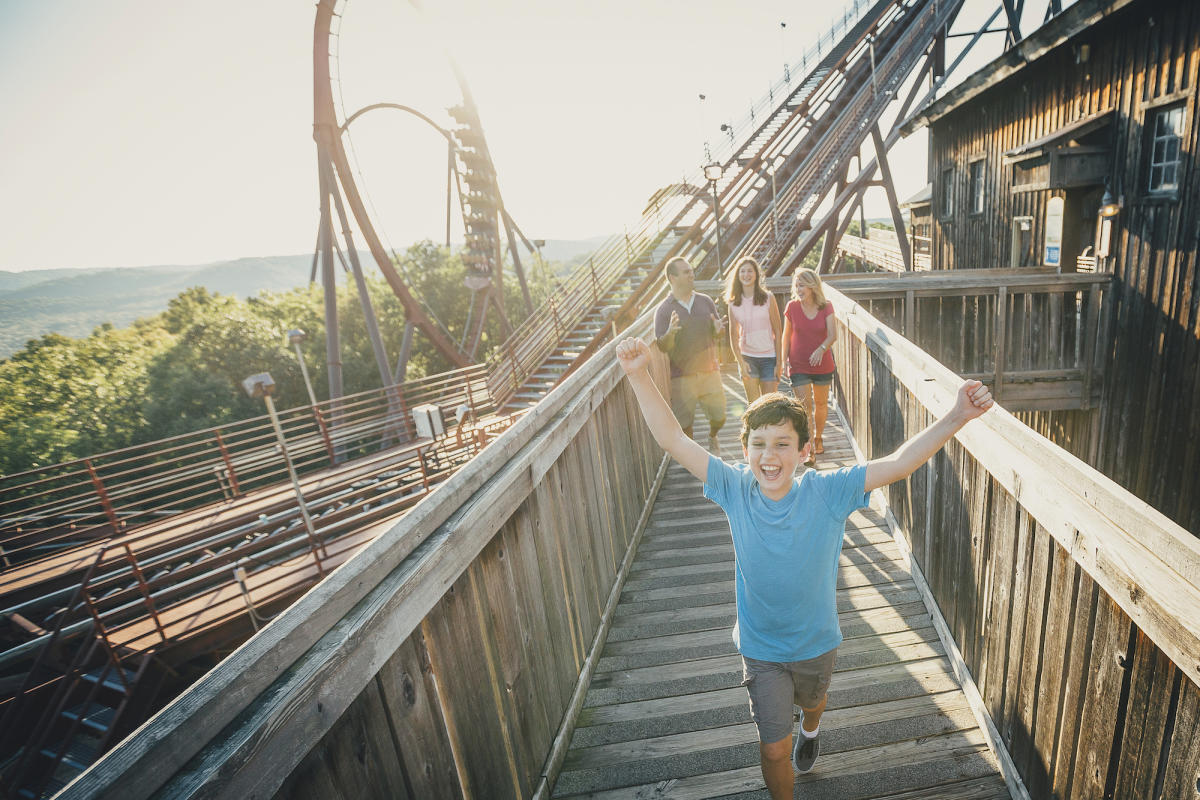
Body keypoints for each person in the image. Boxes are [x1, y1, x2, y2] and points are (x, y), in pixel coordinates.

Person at [614, 336, 993, 800]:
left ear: (804, 449)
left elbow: (896, 464)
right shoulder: (734, 488)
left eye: (781, 444)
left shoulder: (827, 491)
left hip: (816, 642)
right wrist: (638, 374)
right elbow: (673, 438)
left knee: (812, 704)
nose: (768, 456)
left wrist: (957, 415)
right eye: (758, 444)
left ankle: (812, 729)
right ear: (746, 449)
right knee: (773, 750)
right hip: (760, 647)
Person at [654, 256, 726, 449]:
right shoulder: (663, 310)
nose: (691, 274)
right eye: (686, 272)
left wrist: (718, 330)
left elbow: (717, 332)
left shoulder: (705, 301)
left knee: (719, 416)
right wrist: (669, 333)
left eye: (691, 270)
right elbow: (662, 345)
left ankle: (713, 435)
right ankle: (692, 454)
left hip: (709, 370)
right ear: (672, 277)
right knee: (685, 423)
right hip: (681, 376)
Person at [782, 269, 836, 465]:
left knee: (821, 404)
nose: (798, 289)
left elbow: (833, 335)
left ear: (813, 287)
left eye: (802, 285)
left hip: (822, 364)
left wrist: (821, 349)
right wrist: (782, 361)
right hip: (798, 365)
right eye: (796, 285)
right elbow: (785, 336)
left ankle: (818, 437)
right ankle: (810, 449)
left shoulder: (826, 306)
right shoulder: (792, 307)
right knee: (805, 409)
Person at [726, 257, 784, 403]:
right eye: (743, 271)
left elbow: (778, 331)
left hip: (769, 359)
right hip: (748, 359)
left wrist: (779, 363)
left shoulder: (768, 298)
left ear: (756, 274)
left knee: (770, 405)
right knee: (754, 405)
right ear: (738, 276)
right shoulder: (733, 303)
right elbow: (733, 336)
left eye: (750, 271)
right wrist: (740, 363)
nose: (746, 274)